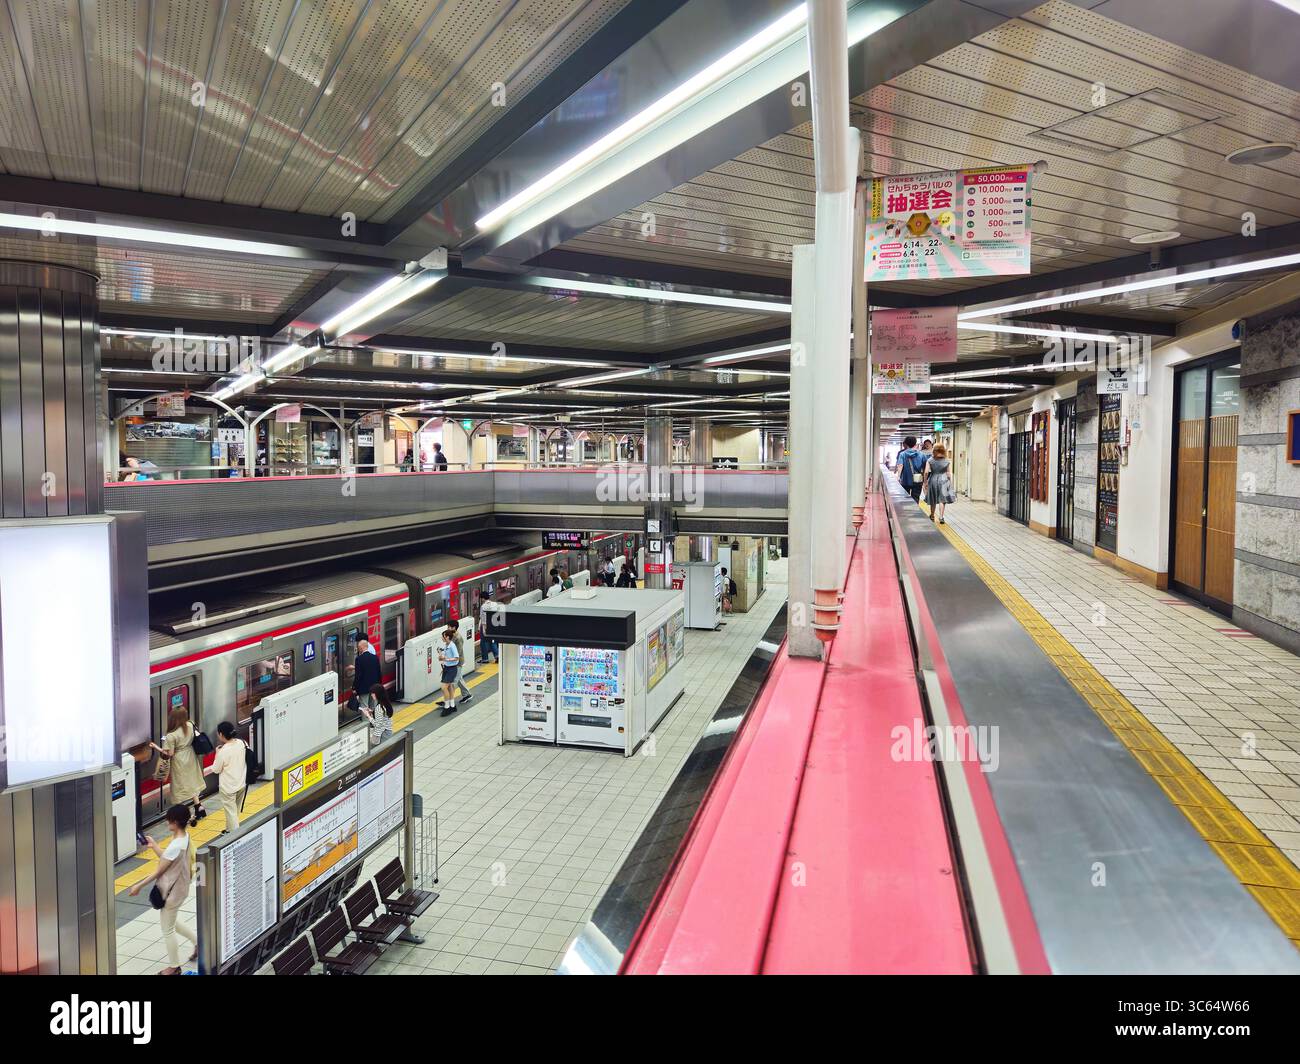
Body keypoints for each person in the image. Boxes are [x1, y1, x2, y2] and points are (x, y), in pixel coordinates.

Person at [128, 804, 196, 975]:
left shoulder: (176, 844)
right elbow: (169, 859)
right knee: (172, 922)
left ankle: (174, 967)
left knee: (167, 930)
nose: (167, 822)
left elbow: (160, 870)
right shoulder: (184, 837)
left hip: (172, 892)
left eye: (169, 820)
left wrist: (138, 886)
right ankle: (198, 942)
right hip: (180, 888)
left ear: (174, 821)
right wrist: (155, 846)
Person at [148, 707, 207, 827]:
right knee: (191, 782)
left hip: (179, 761)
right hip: (190, 756)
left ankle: (185, 815)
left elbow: (169, 753)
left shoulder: (171, 735)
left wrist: (155, 747)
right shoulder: (190, 725)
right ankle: (199, 807)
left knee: (179, 787)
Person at [204, 722, 248, 833]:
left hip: (228, 787)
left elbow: (216, 769)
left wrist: (217, 753)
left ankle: (235, 836)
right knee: (234, 812)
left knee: (231, 812)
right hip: (241, 783)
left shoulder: (223, 751)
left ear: (221, 734)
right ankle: (229, 830)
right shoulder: (242, 743)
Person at [921, 443, 956, 525]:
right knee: (942, 499)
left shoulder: (930, 460)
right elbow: (948, 473)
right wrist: (950, 482)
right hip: (944, 480)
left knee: (933, 498)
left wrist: (925, 482)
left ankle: (932, 516)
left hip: (933, 479)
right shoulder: (946, 460)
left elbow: (926, 472)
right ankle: (941, 517)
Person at [444, 623, 473, 705]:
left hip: (457, 663)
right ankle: (467, 695)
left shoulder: (458, 638)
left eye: (449, 627)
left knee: (453, 681)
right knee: (459, 679)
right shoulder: (452, 635)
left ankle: (448, 700)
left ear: (454, 627)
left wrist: (452, 662)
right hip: (454, 662)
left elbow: (458, 652)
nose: (448, 628)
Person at [351, 637, 382, 714]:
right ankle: (374, 723)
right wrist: (379, 686)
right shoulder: (375, 657)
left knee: (364, 708)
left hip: (363, 688)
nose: (358, 649)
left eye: (358, 647)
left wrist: (354, 687)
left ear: (361, 647)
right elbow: (379, 672)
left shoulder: (359, 659)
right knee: (373, 707)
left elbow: (358, 675)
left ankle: (366, 723)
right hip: (375, 687)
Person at [893, 435, 925, 504]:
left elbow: (900, 465)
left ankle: (905, 513)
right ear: (915, 443)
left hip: (905, 480)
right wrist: (925, 479)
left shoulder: (902, 454)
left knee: (905, 499)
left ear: (906, 443)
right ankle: (915, 513)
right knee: (916, 498)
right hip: (917, 480)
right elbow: (925, 467)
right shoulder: (921, 454)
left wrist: (898, 477)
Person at [437, 627, 460, 717]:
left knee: (443, 687)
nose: (442, 638)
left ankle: (447, 707)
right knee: (449, 686)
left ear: (447, 637)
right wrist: (440, 655)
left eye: (443, 636)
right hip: (447, 668)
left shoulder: (452, 646)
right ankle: (452, 705)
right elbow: (444, 657)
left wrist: (446, 658)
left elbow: (456, 658)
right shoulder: (446, 645)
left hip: (452, 669)